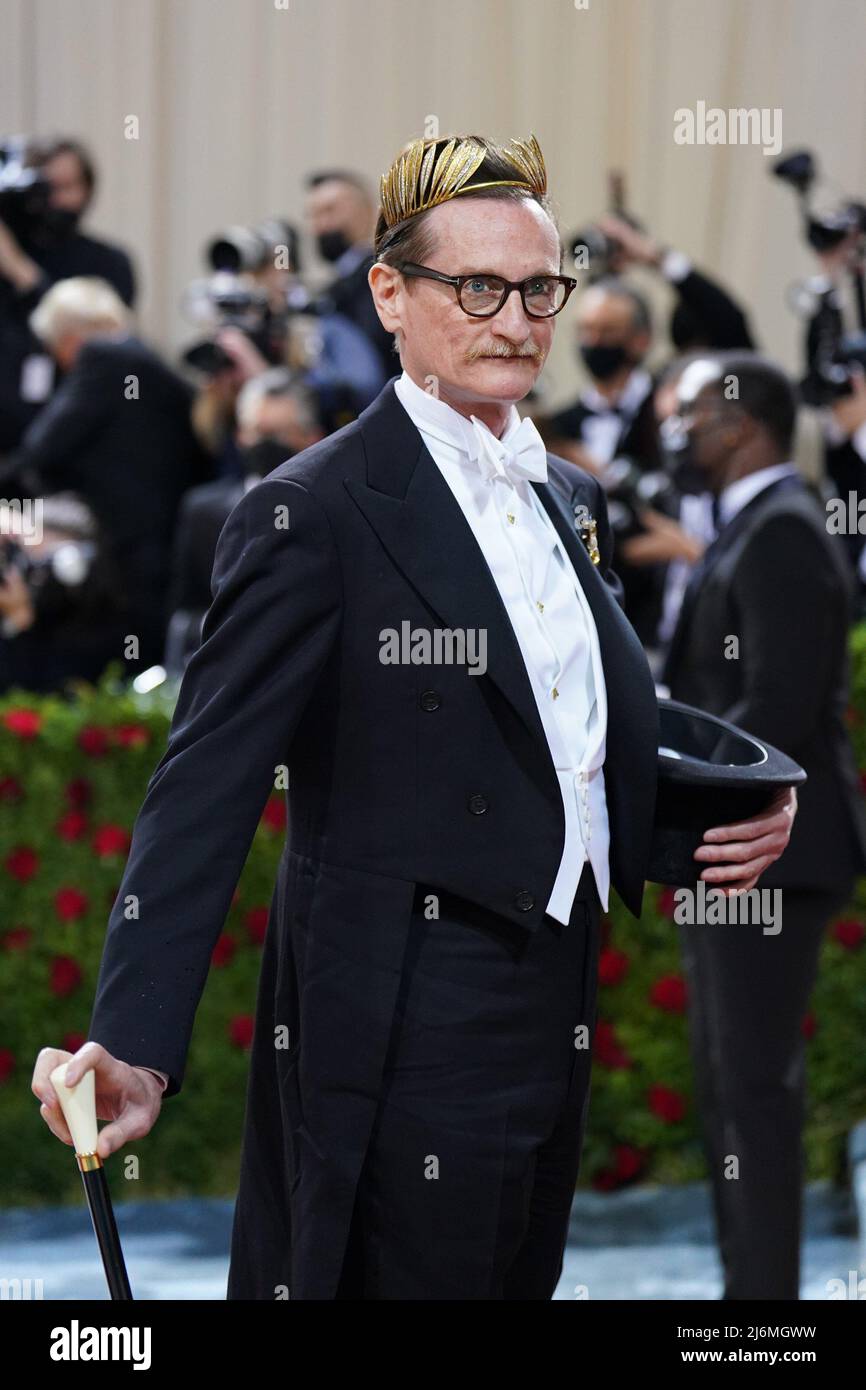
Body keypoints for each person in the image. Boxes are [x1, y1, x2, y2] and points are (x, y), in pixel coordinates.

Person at [33, 133, 796, 1302]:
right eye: (476, 287)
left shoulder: (568, 492)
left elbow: (559, 724)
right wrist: (134, 1043)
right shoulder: (311, 510)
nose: (518, 318)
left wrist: (709, 815)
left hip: (551, 984)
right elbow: (205, 782)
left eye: (540, 288)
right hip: (397, 1010)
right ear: (388, 293)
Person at [660, 352, 866, 1299]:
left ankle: (765, 1317)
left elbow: (769, 719)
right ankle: (751, 1296)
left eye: (691, 413)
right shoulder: (762, 526)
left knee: (752, 1088)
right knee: (729, 1085)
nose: (677, 431)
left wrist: (665, 789)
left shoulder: (782, 531)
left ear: (740, 423)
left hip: (771, 854)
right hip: (743, 852)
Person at [0, 277, 211, 671]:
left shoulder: (102, 357)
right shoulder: (158, 367)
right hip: (163, 560)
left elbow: (39, 451)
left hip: (113, 563)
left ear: (70, 338)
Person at [165, 369, 327, 675]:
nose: (265, 445)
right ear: (240, 435)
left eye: (280, 434)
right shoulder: (202, 510)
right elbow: (186, 610)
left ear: (311, 438)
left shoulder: (334, 509)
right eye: (257, 432)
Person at [0, 136, 136, 451]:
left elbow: (94, 341)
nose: (56, 200)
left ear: (87, 190)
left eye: (67, 187)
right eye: (46, 189)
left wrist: (22, 273)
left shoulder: (108, 262)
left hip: (70, 443)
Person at [305, 168, 396, 376]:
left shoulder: (383, 276)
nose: (320, 225)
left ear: (368, 212)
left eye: (330, 211)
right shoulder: (331, 287)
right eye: (314, 215)